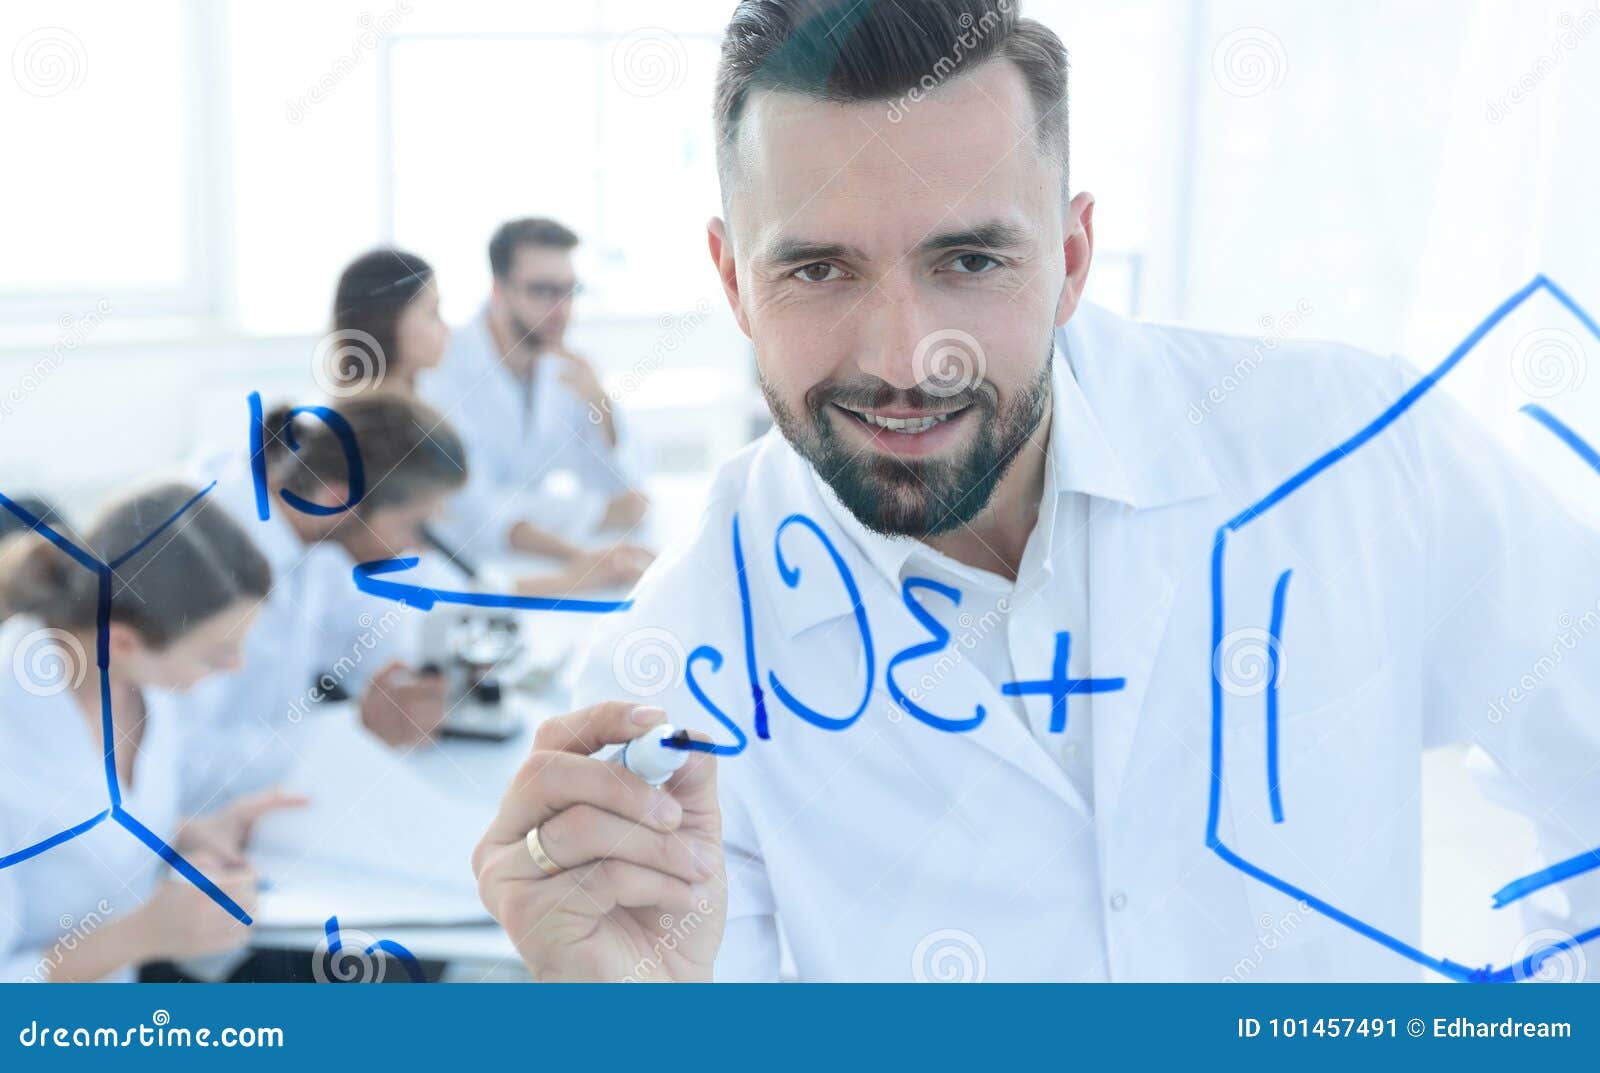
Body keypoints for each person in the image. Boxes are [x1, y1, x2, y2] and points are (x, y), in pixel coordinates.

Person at [471, 0, 1600, 982]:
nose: (907, 358)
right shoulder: (677, 662)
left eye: (969, 261)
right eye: (818, 269)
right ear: (731, 279)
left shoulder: (1360, 455)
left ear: (1070, 256)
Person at [0, 484, 302, 982]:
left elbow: (92, 824)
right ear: (122, 640)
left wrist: (190, 833)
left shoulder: (137, 680)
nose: (236, 666)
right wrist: (142, 934)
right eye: (215, 654)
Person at [181, 392, 471, 808]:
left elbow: (364, 632)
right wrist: (354, 732)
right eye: (413, 525)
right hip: (199, 828)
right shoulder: (205, 563)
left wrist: (413, 679)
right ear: (338, 497)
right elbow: (182, 765)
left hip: (271, 805)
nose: (417, 549)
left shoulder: (313, 530)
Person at [325, 247, 653, 597]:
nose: (446, 328)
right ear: (390, 322)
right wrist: (574, 574)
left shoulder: (413, 408)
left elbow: (455, 559)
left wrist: (581, 564)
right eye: (432, 314)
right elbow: (433, 585)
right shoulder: (376, 432)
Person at [419, 218, 655, 574]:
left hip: (530, 563)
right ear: (498, 291)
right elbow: (470, 510)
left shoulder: (565, 370)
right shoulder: (445, 369)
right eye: (543, 291)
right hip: (463, 571)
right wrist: (595, 515)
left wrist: (600, 404)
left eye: (569, 291)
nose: (561, 310)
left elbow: (628, 493)